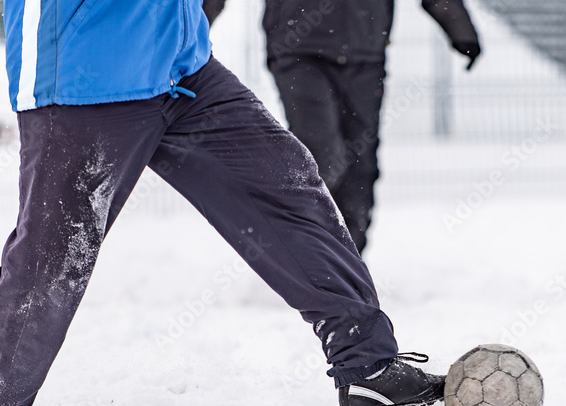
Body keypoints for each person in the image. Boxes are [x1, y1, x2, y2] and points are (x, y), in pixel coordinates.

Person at [0, 0, 443, 406]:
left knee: (285, 184)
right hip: (87, 68)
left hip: (182, 66)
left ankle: (366, 364)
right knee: (57, 252)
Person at [205, 0, 481, 253]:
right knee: (320, 155)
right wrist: (192, 32)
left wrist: (460, 29)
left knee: (360, 165)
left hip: (365, 51)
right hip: (299, 48)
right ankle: (301, 251)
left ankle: (347, 263)